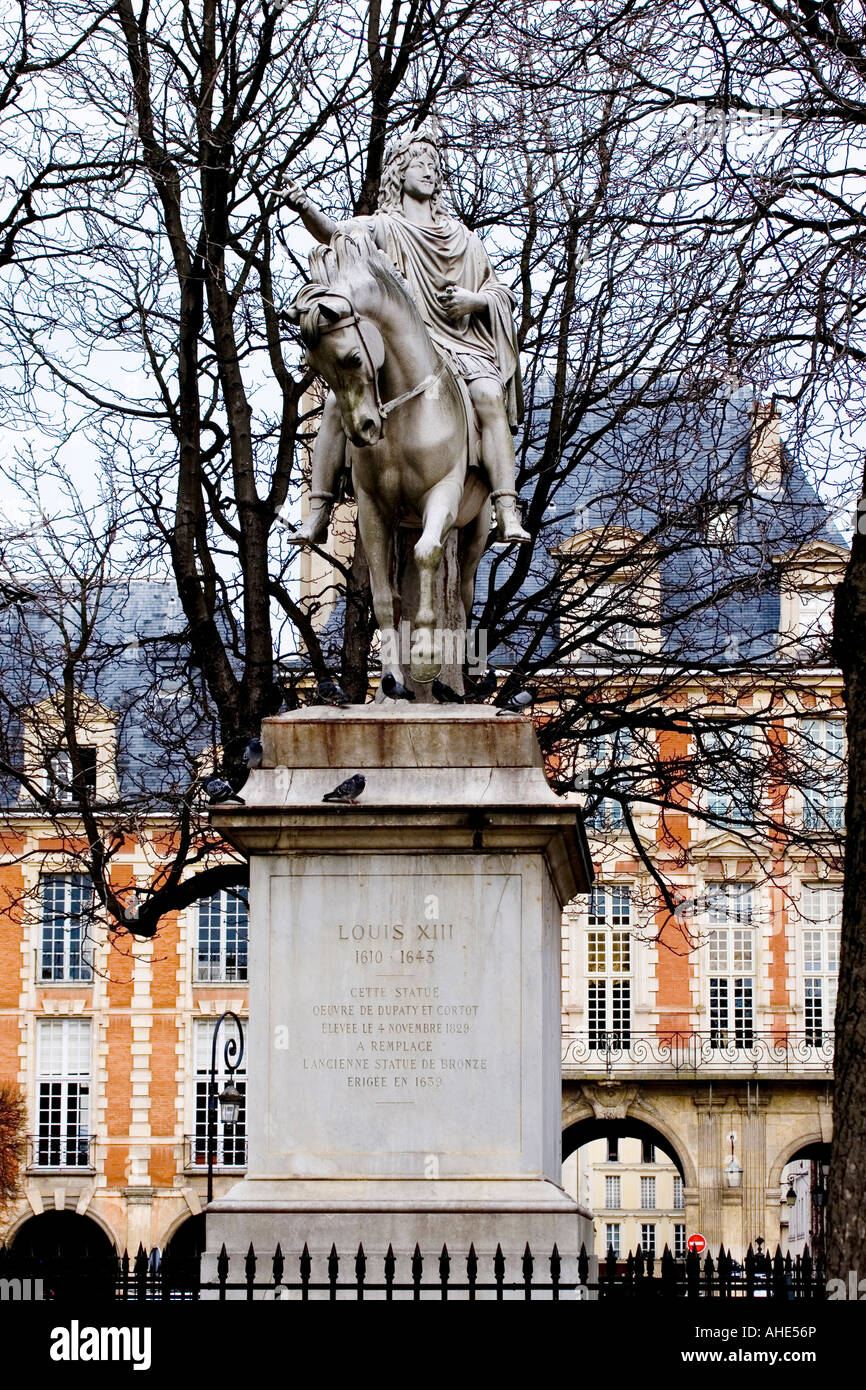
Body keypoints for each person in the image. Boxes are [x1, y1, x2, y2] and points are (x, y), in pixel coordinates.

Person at [280, 122, 530, 546]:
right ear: (398, 172)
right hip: (406, 345)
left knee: (489, 395)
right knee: (338, 403)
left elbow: (499, 292)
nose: (430, 171)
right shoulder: (384, 227)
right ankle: (319, 507)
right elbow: (337, 234)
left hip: (461, 346)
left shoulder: (464, 239)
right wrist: (305, 207)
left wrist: (474, 301)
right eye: (419, 164)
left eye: (434, 165)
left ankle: (505, 506)